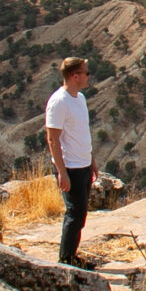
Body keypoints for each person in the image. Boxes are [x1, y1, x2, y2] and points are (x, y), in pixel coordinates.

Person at [45, 56, 97, 266]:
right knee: (74, 214)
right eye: (86, 73)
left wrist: (91, 159)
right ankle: (66, 259)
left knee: (81, 213)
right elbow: (52, 139)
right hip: (70, 167)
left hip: (83, 164)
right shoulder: (59, 102)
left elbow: (82, 132)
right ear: (74, 76)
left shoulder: (80, 98)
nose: (88, 76)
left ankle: (72, 255)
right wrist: (61, 172)